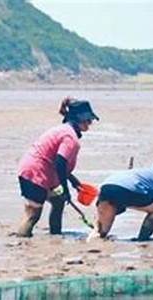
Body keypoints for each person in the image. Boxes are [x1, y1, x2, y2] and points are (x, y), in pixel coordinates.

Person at [16, 97, 99, 237]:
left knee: (58, 201)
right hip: (35, 175)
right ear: (80, 120)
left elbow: (59, 163)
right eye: (89, 120)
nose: (90, 124)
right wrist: (65, 190)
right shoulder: (70, 138)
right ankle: (22, 244)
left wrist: (74, 183)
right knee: (33, 215)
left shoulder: (64, 130)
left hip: (32, 170)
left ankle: (55, 236)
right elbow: (60, 163)